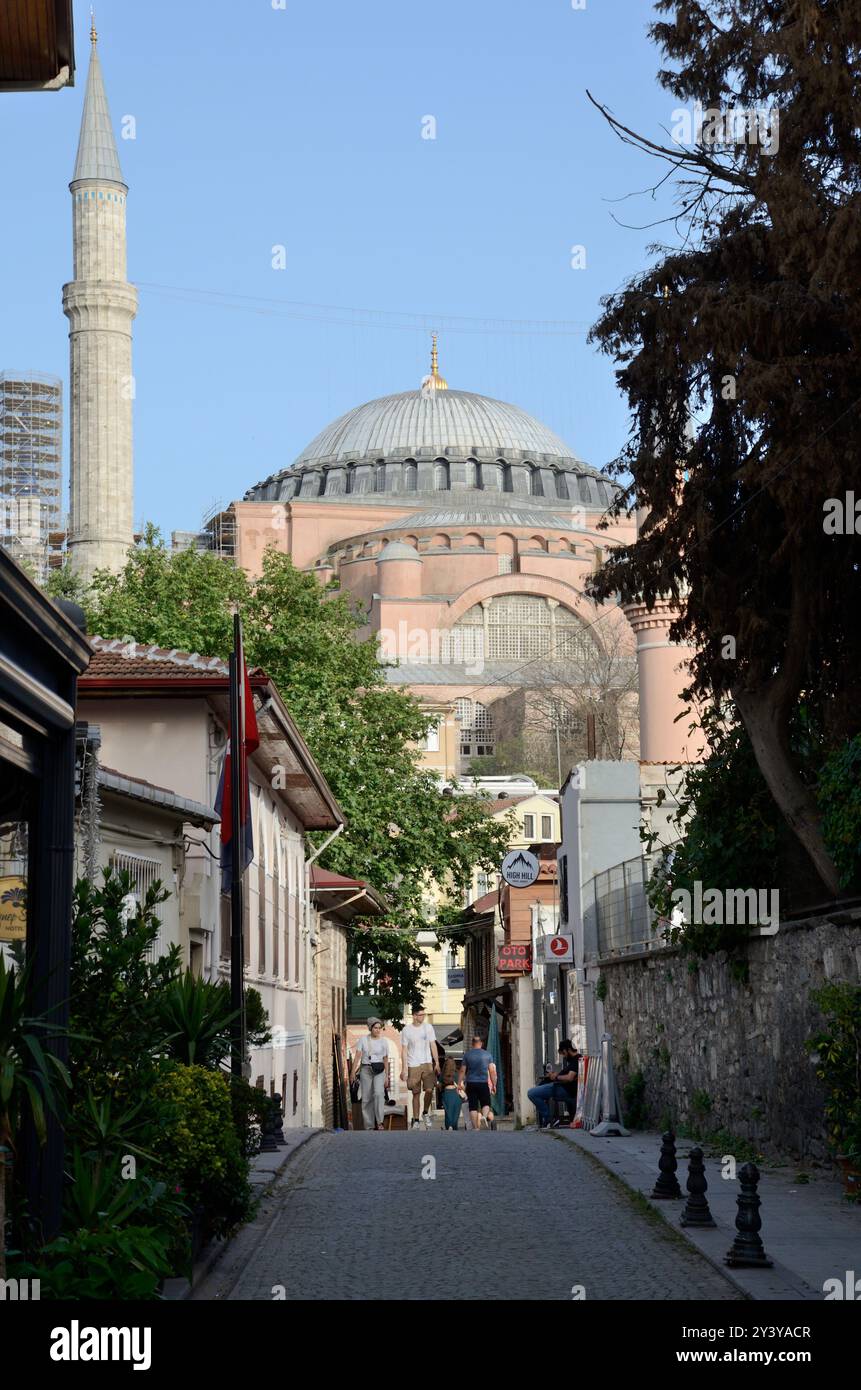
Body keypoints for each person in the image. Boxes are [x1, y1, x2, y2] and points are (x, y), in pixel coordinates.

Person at [400, 1006, 440, 1130]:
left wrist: (437, 1062)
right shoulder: (407, 1030)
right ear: (414, 1016)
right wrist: (404, 1068)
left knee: (429, 1090)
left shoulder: (428, 1027)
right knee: (416, 1093)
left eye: (424, 1014)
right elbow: (404, 1050)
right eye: (421, 1015)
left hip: (427, 1063)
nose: (423, 1017)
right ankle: (416, 1120)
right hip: (413, 1064)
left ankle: (425, 1112)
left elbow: (433, 1044)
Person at [350, 1018, 391, 1131]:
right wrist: (352, 1072)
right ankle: (369, 1126)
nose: (378, 1030)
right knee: (366, 1098)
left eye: (379, 1028)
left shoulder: (384, 1042)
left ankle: (380, 1122)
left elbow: (385, 1059)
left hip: (380, 1070)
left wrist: (387, 1076)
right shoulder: (363, 1040)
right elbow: (357, 1056)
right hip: (366, 1069)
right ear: (370, 1028)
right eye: (375, 1028)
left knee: (378, 1094)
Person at [527, 1041, 580, 1128]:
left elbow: (570, 1077)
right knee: (539, 1088)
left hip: (563, 1089)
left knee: (532, 1093)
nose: (564, 1056)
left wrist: (556, 1077)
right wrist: (555, 1075)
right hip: (561, 1087)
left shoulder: (576, 1060)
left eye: (564, 1053)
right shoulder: (574, 1061)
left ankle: (549, 1120)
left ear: (567, 1050)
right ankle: (548, 1120)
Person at [462, 1033, 497, 1130]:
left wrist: (460, 1082)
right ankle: (484, 1117)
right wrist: (494, 1085)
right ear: (481, 1043)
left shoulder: (467, 1055)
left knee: (473, 1106)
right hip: (483, 1083)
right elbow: (492, 1071)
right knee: (486, 1103)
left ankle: (475, 1128)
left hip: (471, 1083)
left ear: (472, 1044)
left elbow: (462, 1070)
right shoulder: (487, 1055)